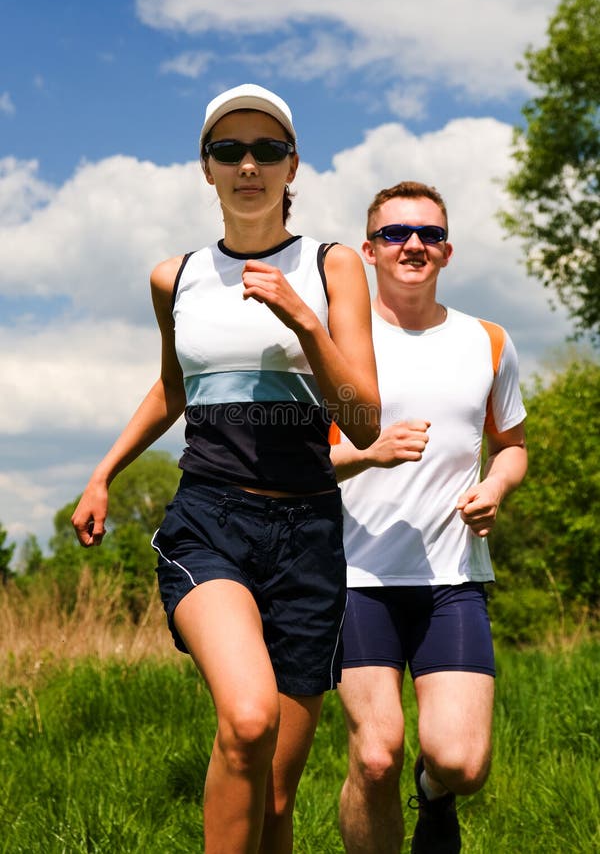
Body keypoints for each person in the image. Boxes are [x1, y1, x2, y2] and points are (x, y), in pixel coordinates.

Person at [71, 83, 380, 854]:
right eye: (229, 151)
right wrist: (104, 471)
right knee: (247, 719)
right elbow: (173, 389)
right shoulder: (173, 278)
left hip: (308, 530)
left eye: (267, 150)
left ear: (292, 166)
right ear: (206, 169)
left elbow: (366, 420)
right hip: (211, 519)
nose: (249, 165)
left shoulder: (334, 265)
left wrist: (305, 321)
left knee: (275, 794)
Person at [331, 181, 527, 853]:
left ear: (447, 251)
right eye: (395, 234)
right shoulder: (334, 344)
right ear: (369, 251)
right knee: (376, 755)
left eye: (428, 234)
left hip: (452, 578)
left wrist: (497, 486)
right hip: (355, 577)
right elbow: (292, 464)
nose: (412, 244)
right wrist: (368, 453)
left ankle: (436, 792)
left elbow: (512, 447)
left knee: (463, 764)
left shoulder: (489, 341)